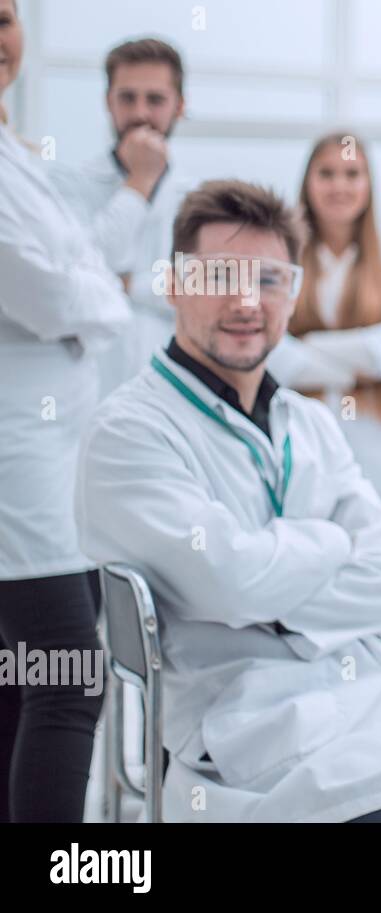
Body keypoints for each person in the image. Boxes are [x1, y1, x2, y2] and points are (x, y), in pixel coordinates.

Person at [76, 180, 381, 822]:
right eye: (219, 276)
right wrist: (332, 543)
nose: (245, 300)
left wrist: (274, 586)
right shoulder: (129, 431)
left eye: (268, 278)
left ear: (291, 293)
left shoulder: (306, 421)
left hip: (368, 699)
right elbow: (233, 584)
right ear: (175, 284)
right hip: (254, 735)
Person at [0, 0, 131, 822]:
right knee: (69, 679)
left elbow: (70, 266)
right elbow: (46, 291)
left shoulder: (16, 155)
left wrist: (87, 284)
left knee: (20, 689)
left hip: (52, 458)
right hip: (22, 464)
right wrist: (104, 299)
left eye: (8, 15)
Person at [267, 131, 381, 551]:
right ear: (308, 183)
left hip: (380, 442)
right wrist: (359, 358)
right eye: (327, 173)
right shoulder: (281, 262)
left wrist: (310, 346)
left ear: (368, 185)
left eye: (352, 174)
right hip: (298, 438)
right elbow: (271, 353)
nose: (340, 186)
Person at [48, 37, 193, 396]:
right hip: (88, 391)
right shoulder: (67, 185)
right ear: (107, 102)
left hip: (170, 389)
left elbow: (204, 290)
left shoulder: (197, 198)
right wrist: (140, 181)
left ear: (179, 106)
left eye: (155, 99)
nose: (140, 113)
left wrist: (131, 285)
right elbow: (76, 276)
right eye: (127, 98)